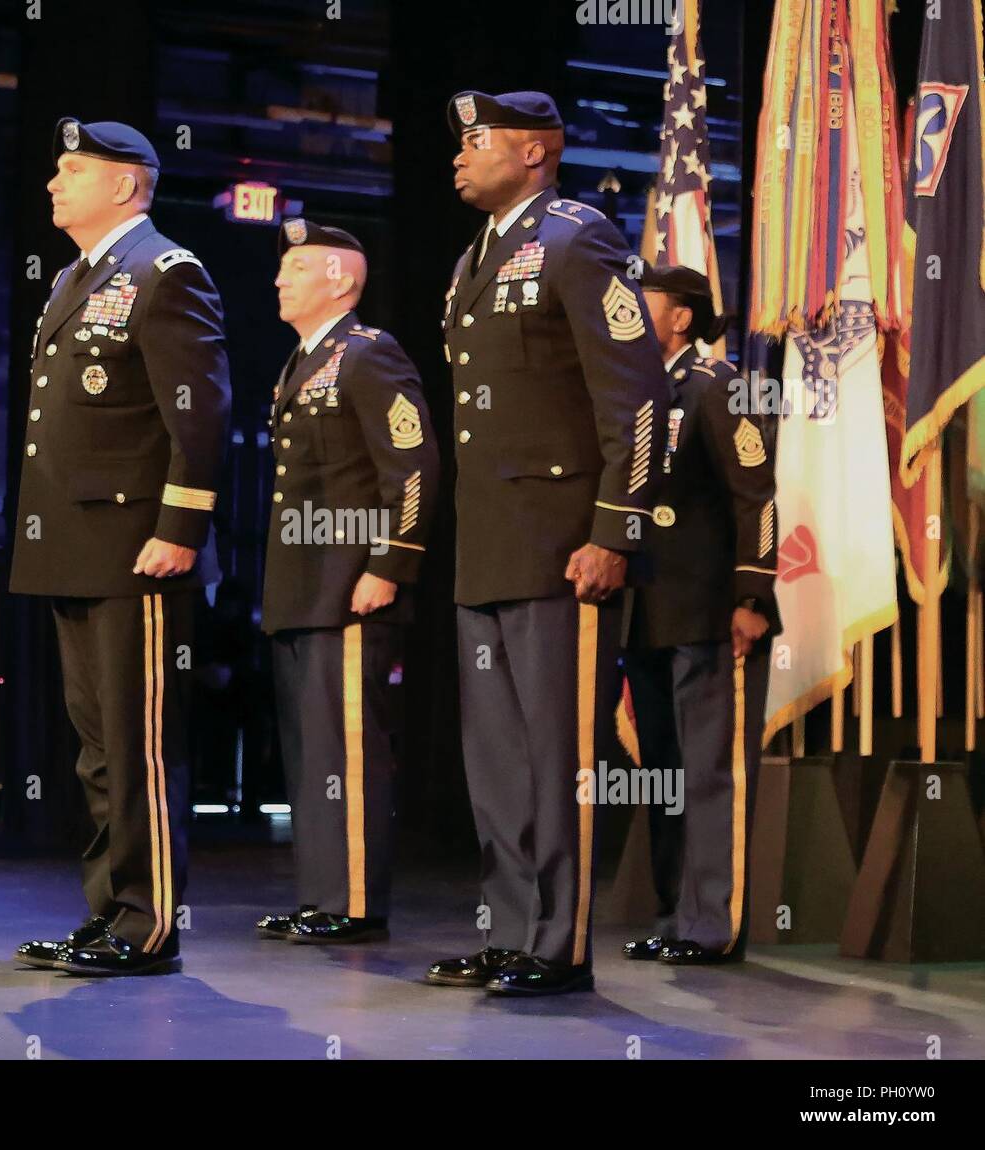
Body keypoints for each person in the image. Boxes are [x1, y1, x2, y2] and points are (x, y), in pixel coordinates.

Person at [426, 90, 668, 996]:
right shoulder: (470, 259)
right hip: (488, 543)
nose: (458, 154)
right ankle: (510, 927)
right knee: (496, 760)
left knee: (557, 756)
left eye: (476, 140)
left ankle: (559, 943)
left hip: (563, 544)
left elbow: (638, 398)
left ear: (533, 153)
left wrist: (615, 528)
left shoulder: (578, 237)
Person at [10, 117, 231, 976]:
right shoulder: (77, 276)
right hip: (75, 543)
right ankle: (109, 913)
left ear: (126, 185)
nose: (54, 182)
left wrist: (180, 528)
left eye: (72, 169)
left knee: (138, 748)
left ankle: (148, 925)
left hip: (137, 547)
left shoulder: (164, 272)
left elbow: (199, 412)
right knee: (99, 748)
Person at [256, 219, 439, 944]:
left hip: (350, 587)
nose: (279, 278)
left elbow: (414, 466)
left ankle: (356, 903)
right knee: (311, 754)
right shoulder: (303, 361)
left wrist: (390, 565)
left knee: (350, 753)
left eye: (297, 267)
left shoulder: (368, 355)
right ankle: (322, 894)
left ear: (340, 278)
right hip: (303, 588)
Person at [621, 262, 778, 965]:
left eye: (642, 301)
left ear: (681, 316)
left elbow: (758, 497)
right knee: (665, 770)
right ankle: (676, 915)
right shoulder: (638, 393)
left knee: (710, 771)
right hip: (648, 612)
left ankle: (712, 925)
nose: (625, 311)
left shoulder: (716, 387)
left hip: (709, 611)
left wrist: (752, 597)